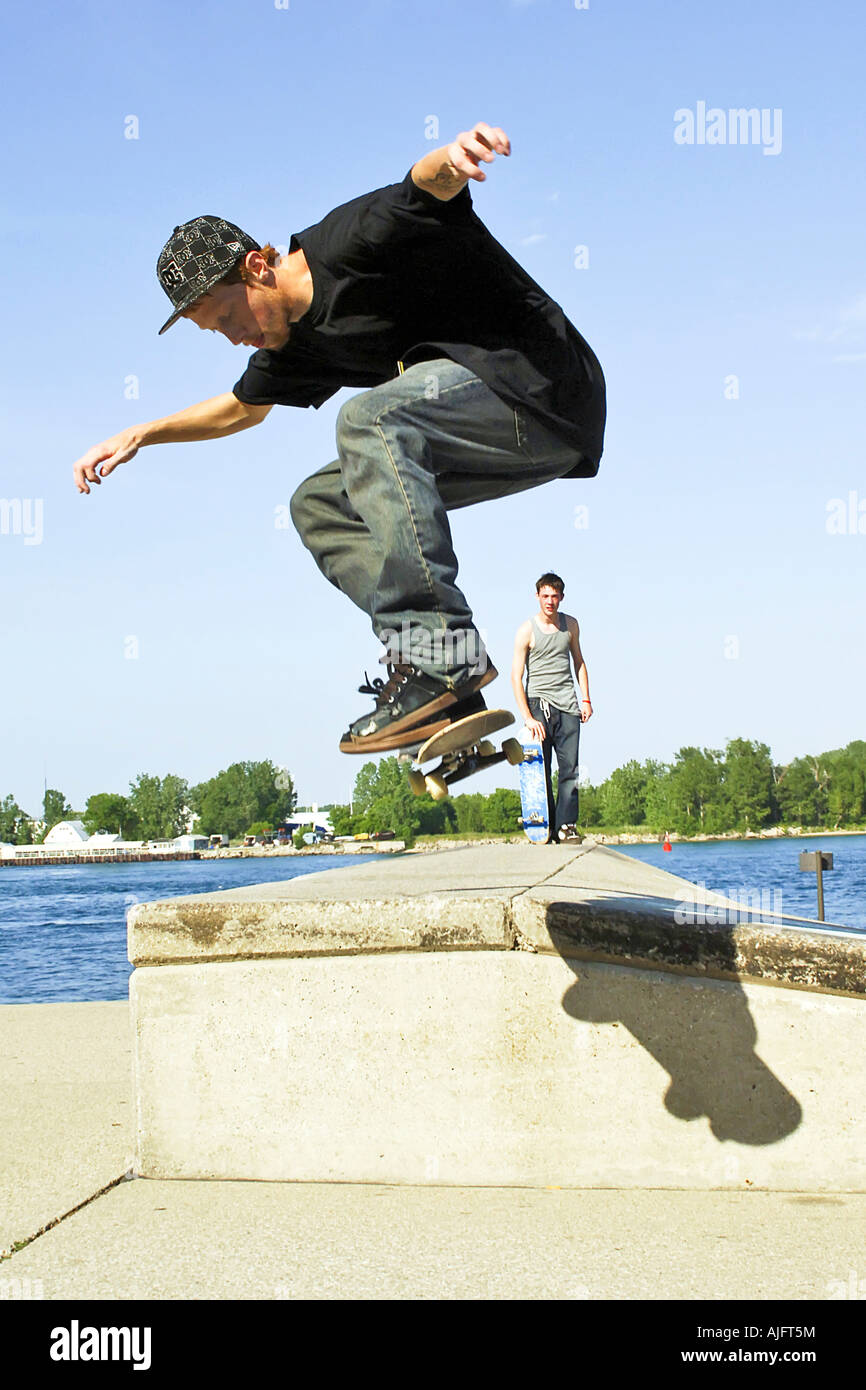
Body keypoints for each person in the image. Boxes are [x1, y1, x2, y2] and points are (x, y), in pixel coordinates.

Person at [72, 123, 606, 752]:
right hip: (506, 437)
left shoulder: (347, 242)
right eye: (214, 333)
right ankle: (445, 687)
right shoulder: (292, 344)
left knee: (368, 420)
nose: (232, 337)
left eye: (226, 318)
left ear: (255, 268)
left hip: (541, 386)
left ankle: (440, 655)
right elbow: (241, 410)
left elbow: (423, 187)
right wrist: (143, 433)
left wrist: (454, 157)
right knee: (319, 503)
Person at [511, 572, 592, 842]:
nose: (550, 601)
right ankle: (545, 825)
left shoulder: (571, 625)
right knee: (539, 770)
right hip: (538, 707)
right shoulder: (526, 630)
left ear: (561, 598)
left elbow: (579, 662)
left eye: (554, 596)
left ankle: (566, 825)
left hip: (568, 706)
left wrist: (586, 699)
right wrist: (527, 717)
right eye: (545, 596)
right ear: (537, 597)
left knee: (570, 769)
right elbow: (516, 676)